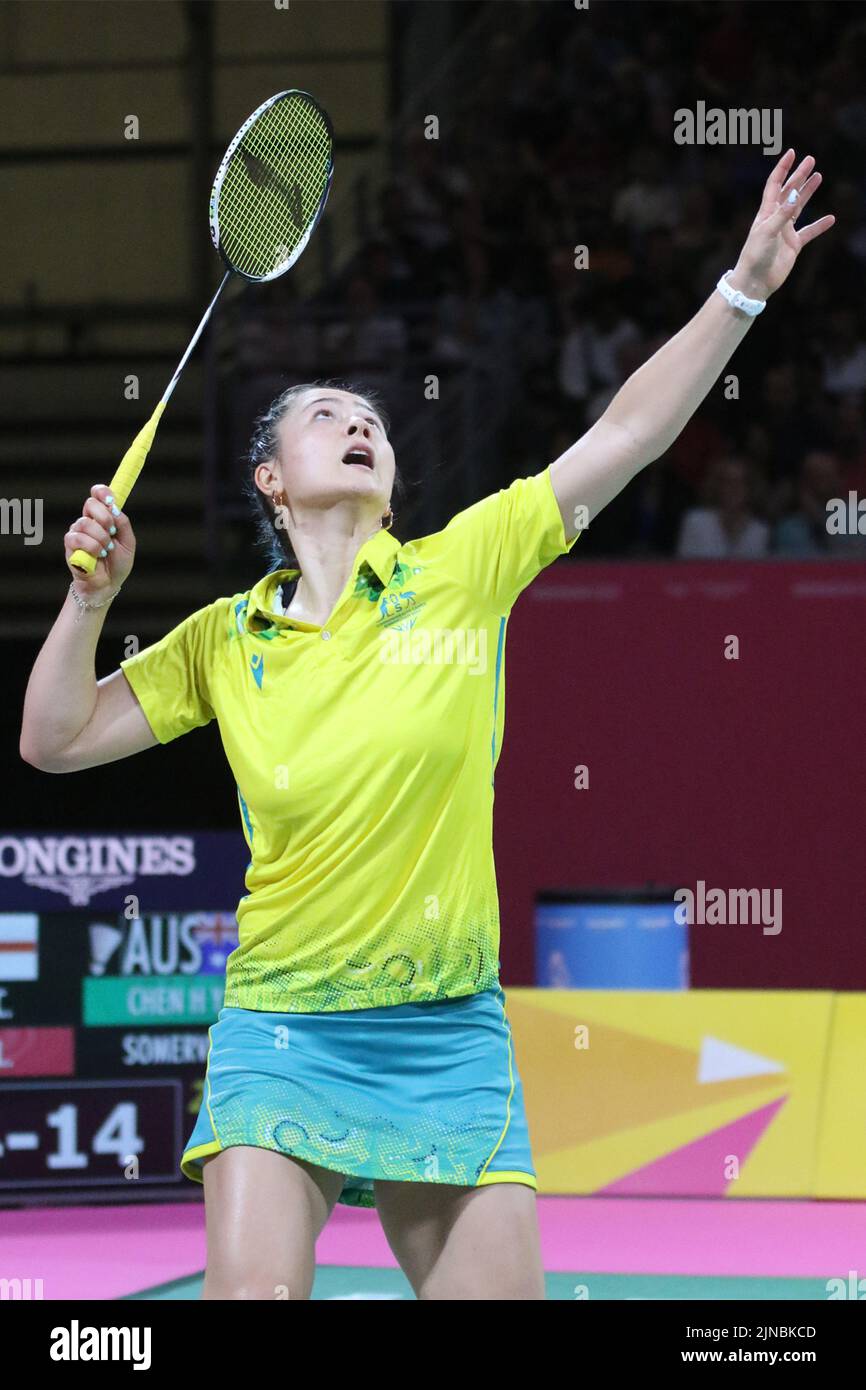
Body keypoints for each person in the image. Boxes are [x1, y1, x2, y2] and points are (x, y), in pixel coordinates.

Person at [19, 148, 833, 1300]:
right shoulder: (223, 639)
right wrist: (90, 600)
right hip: (283, 1023)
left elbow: (625, 433)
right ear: (269, 479)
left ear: (392, 485)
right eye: (323, 418)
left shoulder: (461, 571)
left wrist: (740, 288)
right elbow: (52, 738)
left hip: (446, 1031)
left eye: (370, 423)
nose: (357, 424)